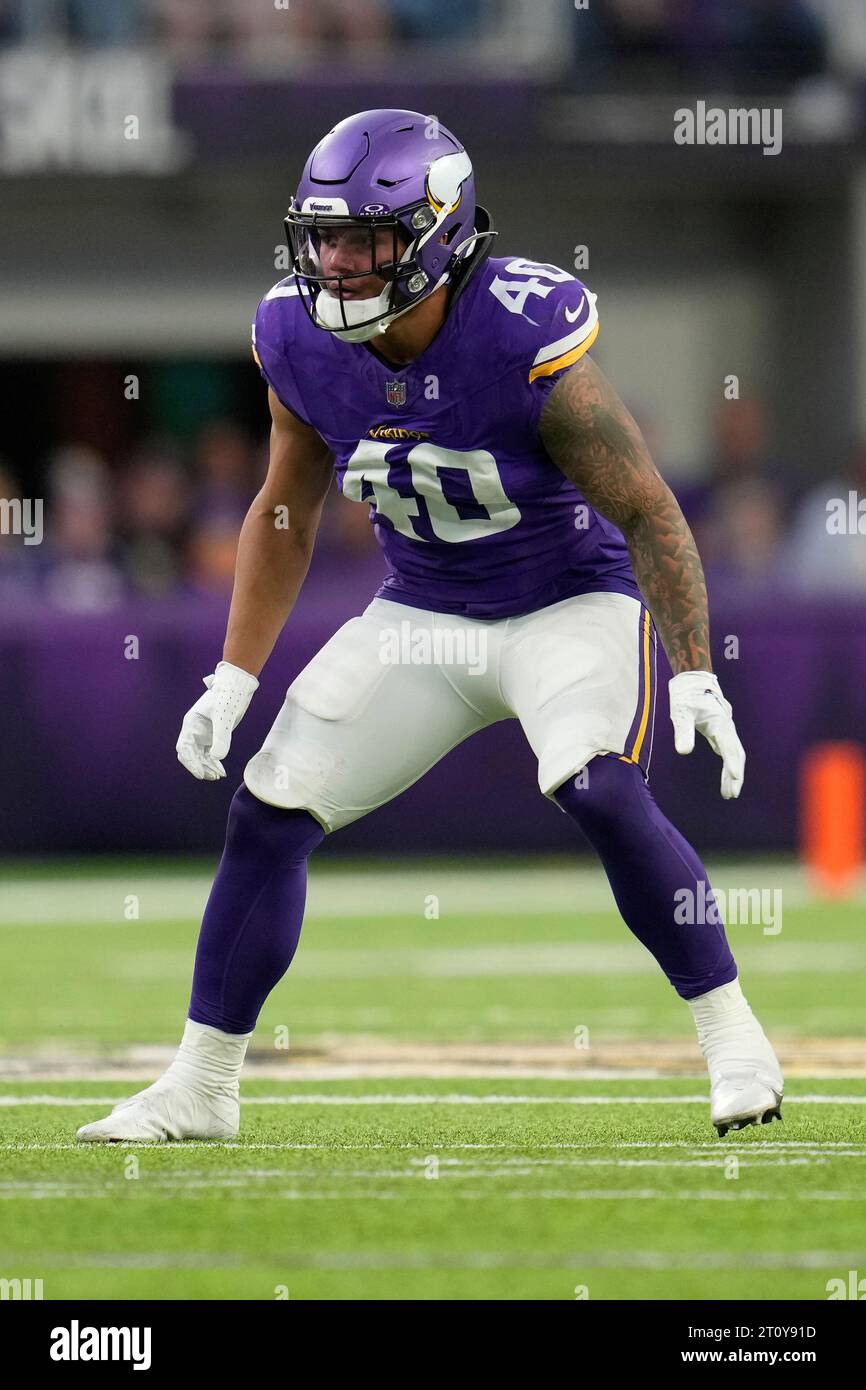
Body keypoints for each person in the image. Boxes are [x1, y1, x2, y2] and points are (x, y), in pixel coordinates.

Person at [77, 109, 782, 1144]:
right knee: (270, 806)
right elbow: (285, 509)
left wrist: (691, 670)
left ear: (438, 234)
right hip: (422, 613)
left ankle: (731, 1037)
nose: (338, 264)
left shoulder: (516, 328)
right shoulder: (296, 335)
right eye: (322, 239)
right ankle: (201, 1083)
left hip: (566, 603)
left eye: (363, 240)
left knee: (591, 777)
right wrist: (233, 676)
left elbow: (643, 507)